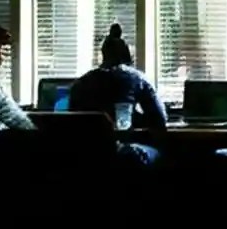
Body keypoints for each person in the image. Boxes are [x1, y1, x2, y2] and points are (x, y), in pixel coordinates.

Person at [68, 24, 165, 166]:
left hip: (85, 157)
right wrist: (137, 119)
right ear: (128, 56)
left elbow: (73, 121)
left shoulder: (81, 83)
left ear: (103, 55)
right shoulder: (136, 79)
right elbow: (159, 120)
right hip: (123, 155)